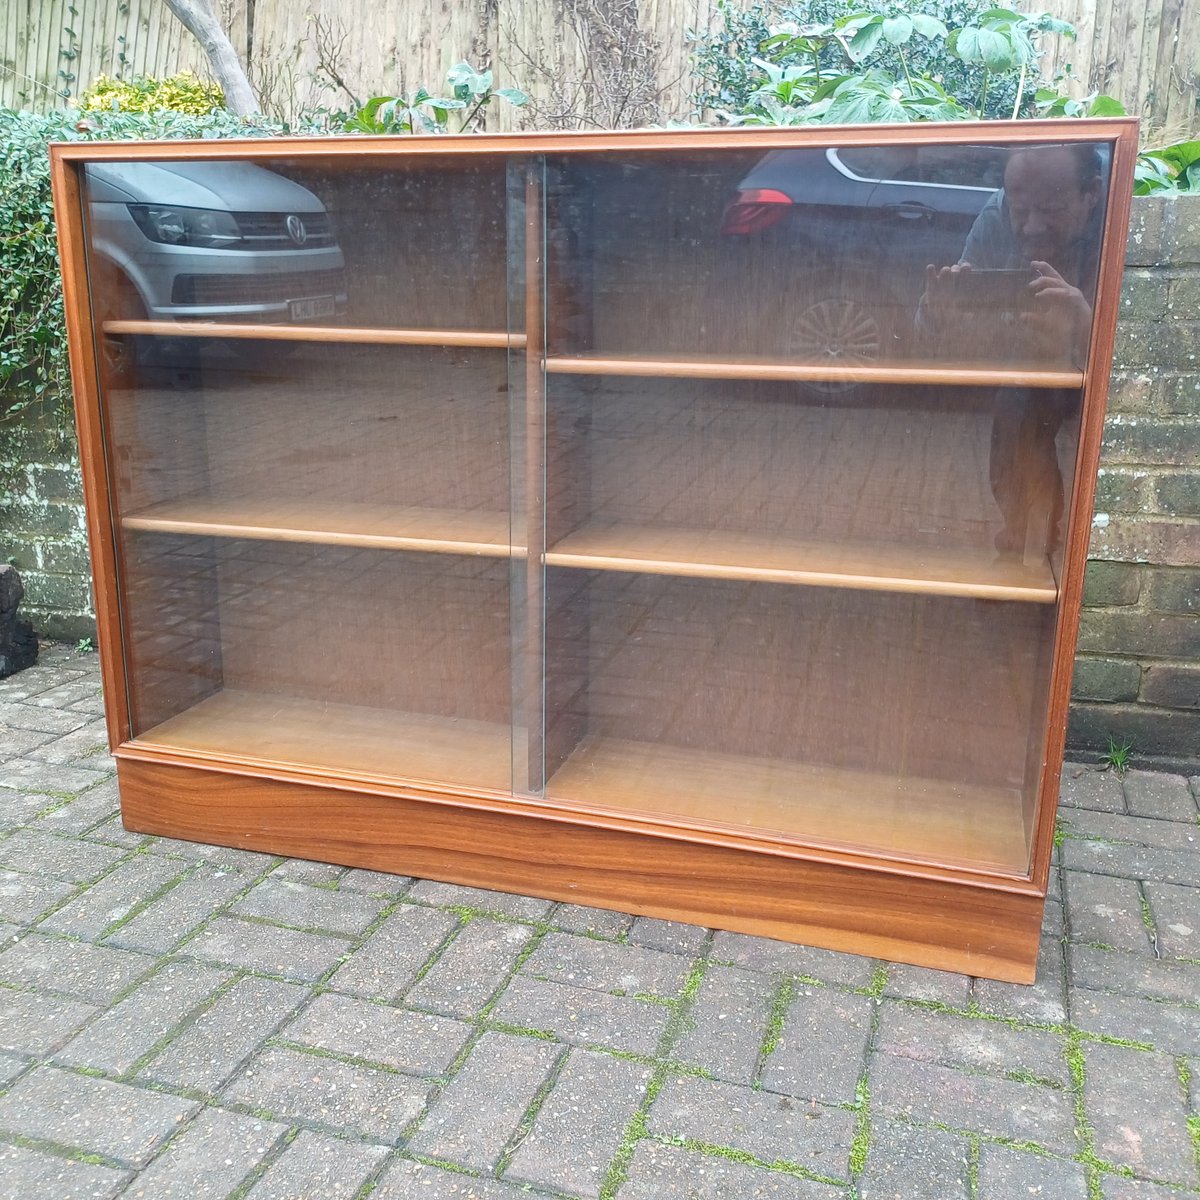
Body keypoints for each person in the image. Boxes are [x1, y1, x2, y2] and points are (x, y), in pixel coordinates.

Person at [918, 144, 1106, 556]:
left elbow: (1144, 364)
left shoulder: (1124, 219)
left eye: (1051, 210)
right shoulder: (994, 216)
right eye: (1020, 210)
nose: (1032, 226)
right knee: (1016, 406)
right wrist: (940, 312)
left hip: (1095, 375)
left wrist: (1084, 323)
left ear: (1092, 193)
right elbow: (932, 338)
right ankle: (1025, 536)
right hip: (1023, 366)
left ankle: (1059, 547)